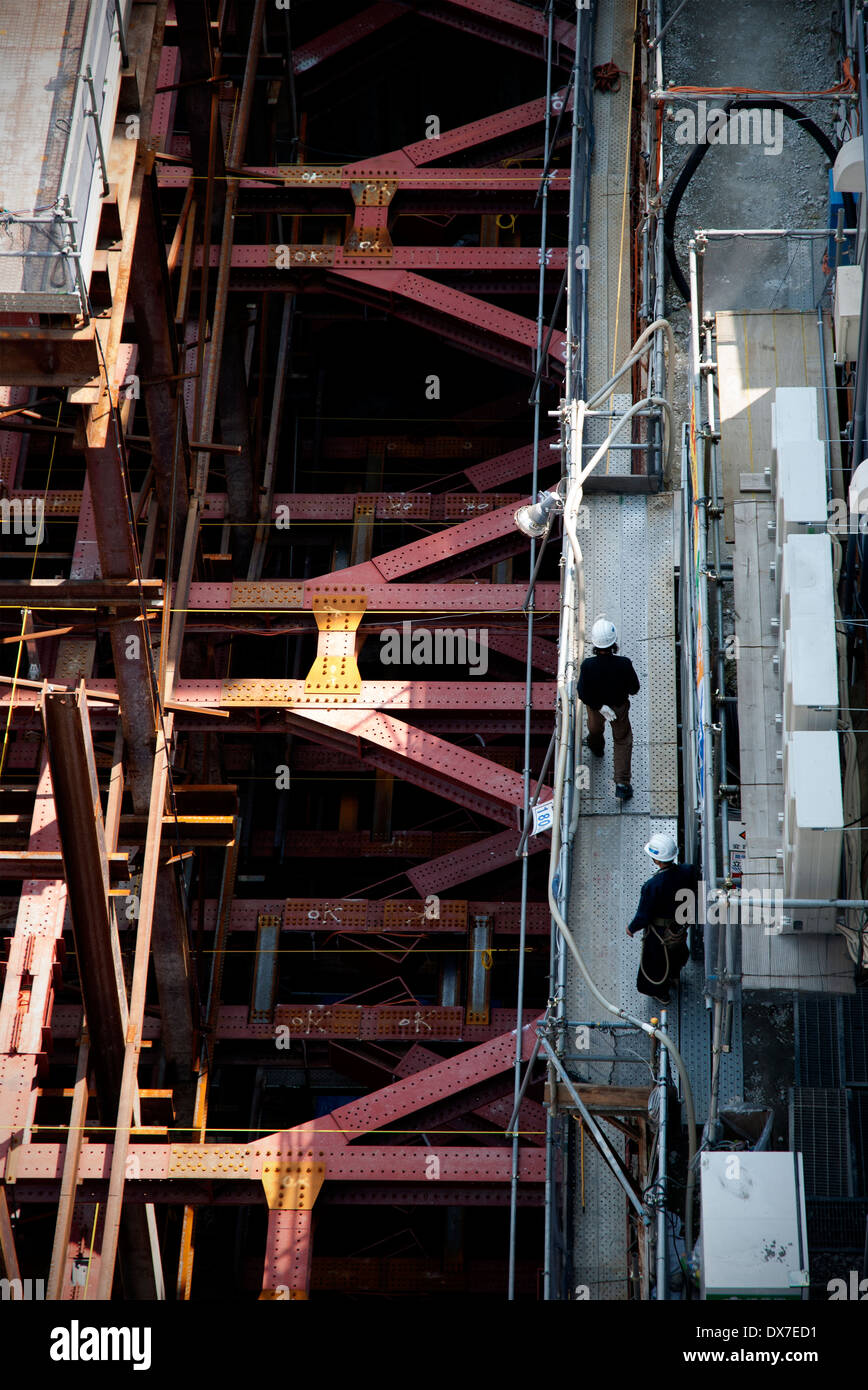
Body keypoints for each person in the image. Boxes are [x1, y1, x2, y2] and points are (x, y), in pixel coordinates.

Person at [626, 832, 699, 1005]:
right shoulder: (688, 871)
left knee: (655, 963)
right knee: (676, 952)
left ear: (656, 860)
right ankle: (674, 976)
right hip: (678, 926)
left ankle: (661, 993)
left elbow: (643, 916)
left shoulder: (652, 886)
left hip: (658, 932)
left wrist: (631, 928)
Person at [577, 617, 640, 800]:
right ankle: (622, 784)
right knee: (622, 740)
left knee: (595, 730)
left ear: (595, 644)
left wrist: (599, 706)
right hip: (619, 708)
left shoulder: (588, 665)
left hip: (596, 708)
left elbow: (582, 692)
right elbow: (634, 689)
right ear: (614, 643)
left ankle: (596, 747)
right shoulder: (624, 664)